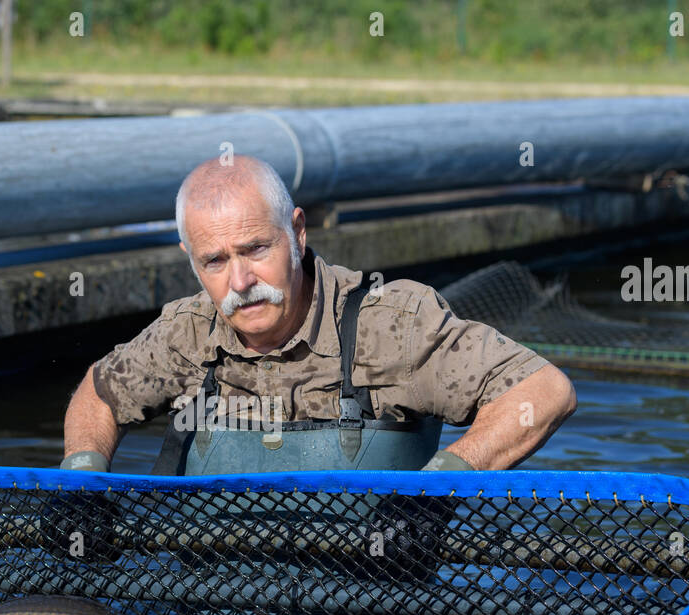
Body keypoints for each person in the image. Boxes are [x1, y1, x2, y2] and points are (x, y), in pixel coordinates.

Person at [61, 155, 575, 475]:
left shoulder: (390, 325)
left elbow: (542, 391)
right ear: (189, 259)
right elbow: (100, 394)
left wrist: (439, 489)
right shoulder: (185, 334)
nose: (240, 282)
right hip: (215, 601)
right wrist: (81, 476)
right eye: (215, 261)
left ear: (297, 232)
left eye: (256, 248)